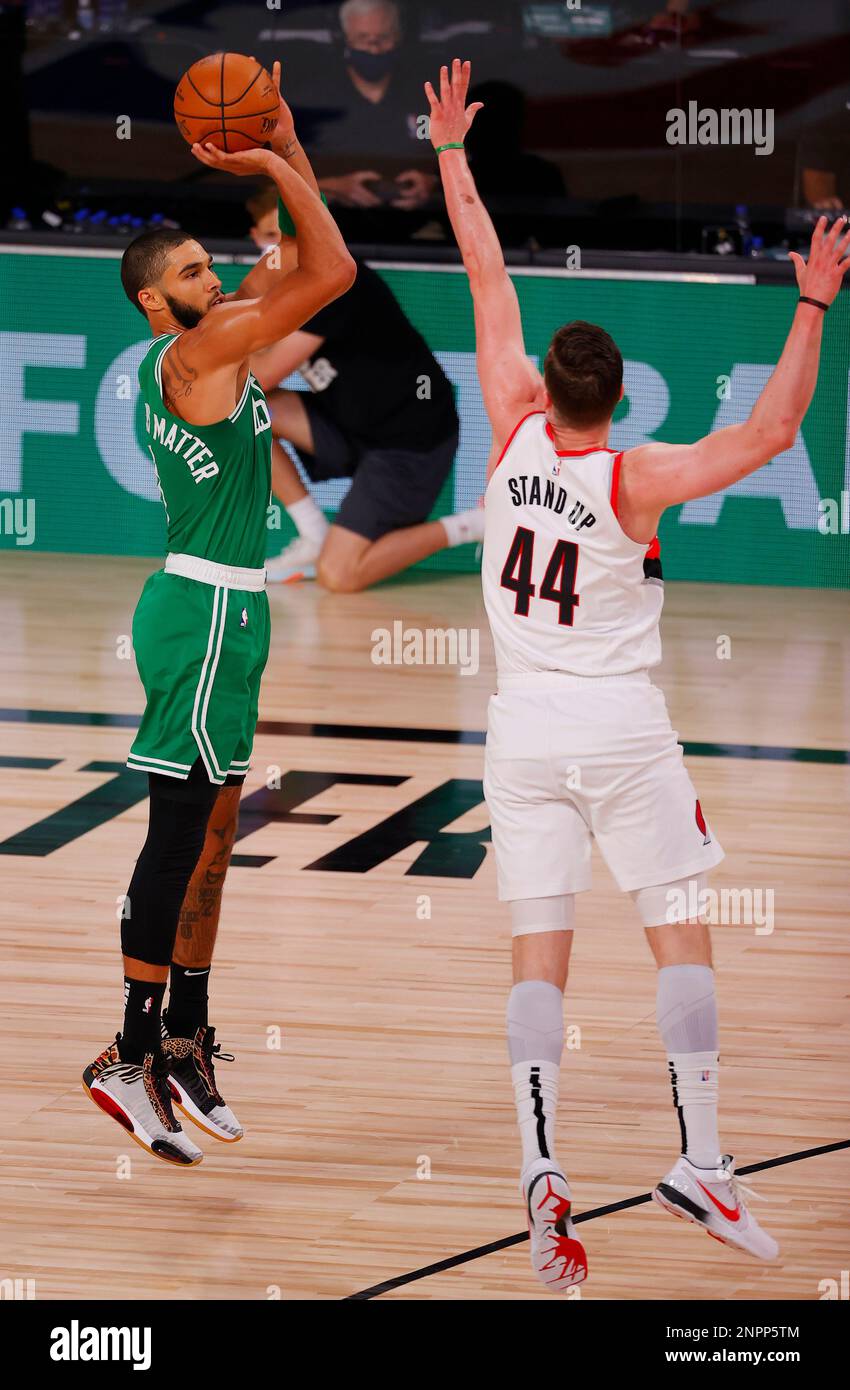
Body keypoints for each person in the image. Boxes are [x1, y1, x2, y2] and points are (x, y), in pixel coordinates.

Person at [427, 58, 849, 1291]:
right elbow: (772, 435)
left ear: (545, 392)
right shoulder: (634, 477)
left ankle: (540, 1171)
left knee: (536, 956)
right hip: (619, 731)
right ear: (618, 401)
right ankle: (702, 1158)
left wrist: (452, 151)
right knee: (680, 937)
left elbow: (486, 271)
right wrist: (812, 302)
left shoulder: (505, 423)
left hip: (517, 733)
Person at [82, 72, 356, 1165]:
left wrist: (288, 134)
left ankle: (186, 1036)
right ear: (157, 301)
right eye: (193, 269)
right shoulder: (194, 353)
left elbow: (301, 256)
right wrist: (267, 162)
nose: (215, 274)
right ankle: (128, 1051)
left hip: (232, 615)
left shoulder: (224, 335)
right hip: (196, 610)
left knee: (215, 840)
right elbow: (328, 269)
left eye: (211, 261)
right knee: (172, 837)